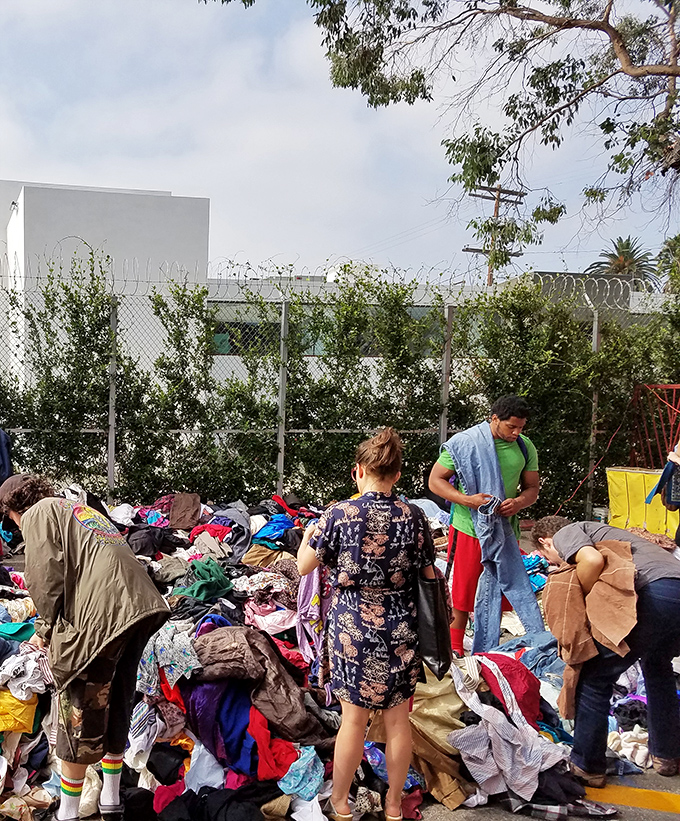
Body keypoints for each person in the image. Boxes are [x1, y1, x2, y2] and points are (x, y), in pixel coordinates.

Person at [0, 474, 169, 821]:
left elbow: (45, 576)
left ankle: (69, 815)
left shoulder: (37, 514)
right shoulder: (76, 508)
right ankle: (110, 801)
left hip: (103, 615)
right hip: (139, 608)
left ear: (12, 509)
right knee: (118, 700)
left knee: (80, 710)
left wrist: (43, 633)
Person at [297, 428, 435, 821]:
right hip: (400, 627)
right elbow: (428, 573)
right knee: (397, 721)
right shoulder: (414, 515)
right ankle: (394, 806)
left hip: (352, 627)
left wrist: (308, 535)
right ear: (398, 474)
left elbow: (305, 565)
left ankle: (341, 804)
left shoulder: (339, 513)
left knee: (353, 722)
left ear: (358, 471)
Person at [532, 515, 680, 783]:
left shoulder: (570, 532)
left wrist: (589, 601)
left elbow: (591, 561)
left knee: (595, 677)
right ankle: (667, 756)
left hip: (653, 593)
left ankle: (587, 766)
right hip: (676, 590)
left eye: (549, 558)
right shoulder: (608, 531)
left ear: (546, 542)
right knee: (658, 669)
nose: (556, 563)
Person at [428, 395, 541, 655]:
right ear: (494, 419)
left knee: (501, 590)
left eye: (521, 427)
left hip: (505, 530)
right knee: (462, 591)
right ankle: (455, 649)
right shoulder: (466, 444)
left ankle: (489, 650)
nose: (516, 432)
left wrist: (519, 503)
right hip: (468, 528)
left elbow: (532, 488)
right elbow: (436, 481)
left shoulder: (525, 447)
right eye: (511, 426)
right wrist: (467, 500)